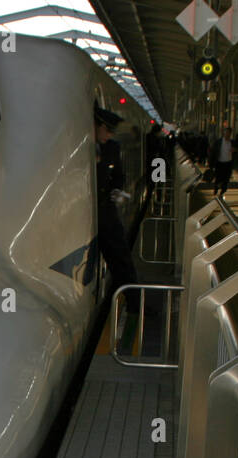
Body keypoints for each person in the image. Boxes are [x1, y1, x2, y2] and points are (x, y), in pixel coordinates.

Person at [93, 104, 140, 352]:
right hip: (89, 214)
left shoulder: (112, 148)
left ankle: (134, 304)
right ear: (97, 126)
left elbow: (119, 176)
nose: (109, 135)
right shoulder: (83, 149)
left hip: (106, 213)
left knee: (121, 258)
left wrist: (118, 191)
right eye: (107, 130)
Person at [209, 125, 237, 197]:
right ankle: (216, 188)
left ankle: (223, 191)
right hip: (219, 163)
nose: (227, 134)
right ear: (224, 133)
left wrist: (235, 151)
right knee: (218, 177)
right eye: (226, 133)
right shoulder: (218, 142)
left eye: (229, 133)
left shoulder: (232, 143)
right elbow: (213, 152)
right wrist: (211, 164)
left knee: (226, 178)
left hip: (228, 163)